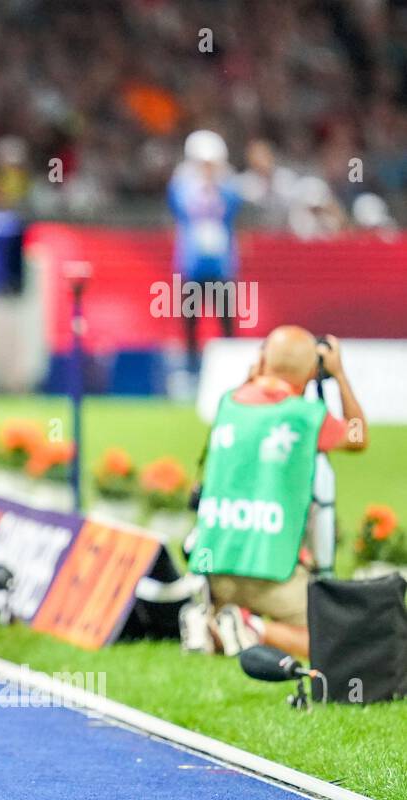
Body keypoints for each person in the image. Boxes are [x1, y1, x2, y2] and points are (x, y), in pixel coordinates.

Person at [182, 327, 367, 658]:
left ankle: (212, 622)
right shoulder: (306, 416)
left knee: (235, 600)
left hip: (217, 568)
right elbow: (358, 436)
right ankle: (252, 628)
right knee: (332, 639)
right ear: (312, 372)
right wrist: (338, 376)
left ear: (263, 359)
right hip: (271, 572)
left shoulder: (229, 402)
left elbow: (256, 391)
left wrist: (258, 371)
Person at [167, 130, 243, 373]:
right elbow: (180, 205)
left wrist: (217, 182)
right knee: (190, 321)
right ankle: (192, 369)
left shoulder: (227, 186)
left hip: (221, 266)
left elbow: (232, 205)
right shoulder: (184, 185)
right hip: (192, 265)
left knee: (226, 319)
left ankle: (230, 369)